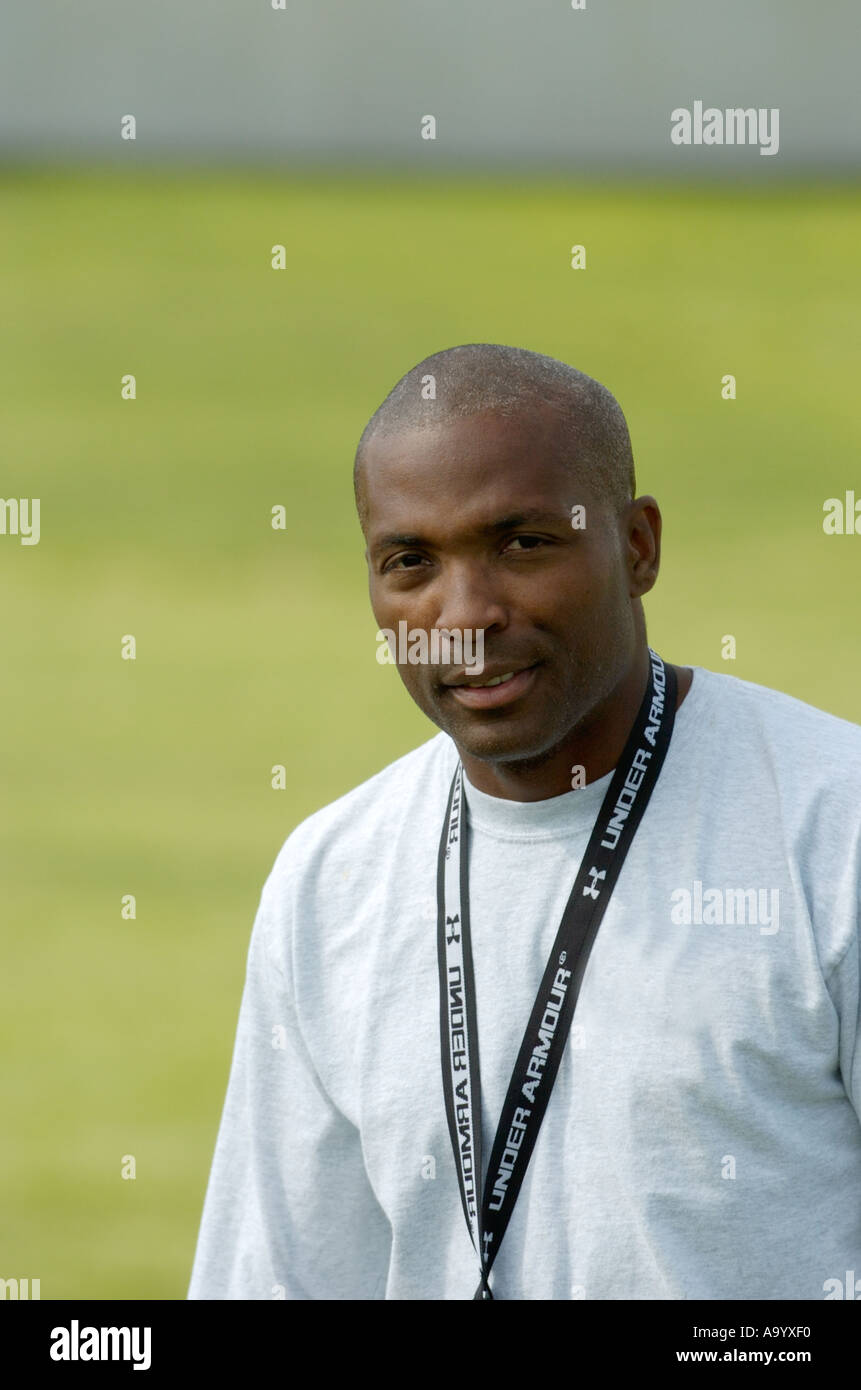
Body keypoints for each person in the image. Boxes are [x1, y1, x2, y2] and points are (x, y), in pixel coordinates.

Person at [187, 343, 861, 1300]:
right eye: (409, 562)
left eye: (521, 543)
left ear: (638, 547)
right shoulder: (330, 878)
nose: (464, 614)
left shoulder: (832, 829)